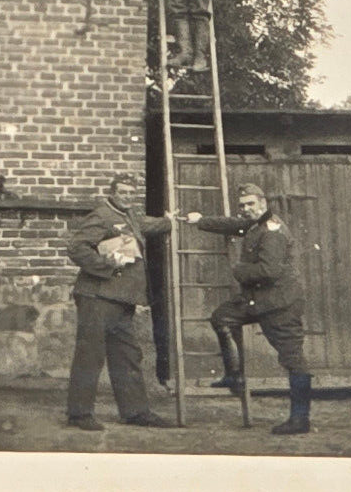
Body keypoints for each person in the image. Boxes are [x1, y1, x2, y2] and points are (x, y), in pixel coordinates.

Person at [178, 183, 312, 435]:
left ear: (263, 203)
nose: (246, 209)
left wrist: (239, 271)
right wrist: (200, 220)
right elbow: (233, 225)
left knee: (292, 358)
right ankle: (234, 376)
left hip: (279, 304)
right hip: (257, 299)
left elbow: (269, 270)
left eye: (251, 204)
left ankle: (300, 419)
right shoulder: (254, 224)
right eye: (242, 205)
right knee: (222, 318)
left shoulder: (272, 230)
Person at [65, 172, 174, 431]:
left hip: (121, 299)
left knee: (127, 355)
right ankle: (79, 414)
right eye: (122, 192)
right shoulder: (102, 215)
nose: (127, 196)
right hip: (97, 296)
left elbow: (148, 225)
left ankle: (135, 411)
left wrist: (170, 221)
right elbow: (77, 247)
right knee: (90, 354)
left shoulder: (129, 216)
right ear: (112, 193)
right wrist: (105, 264)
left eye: (131, 192)